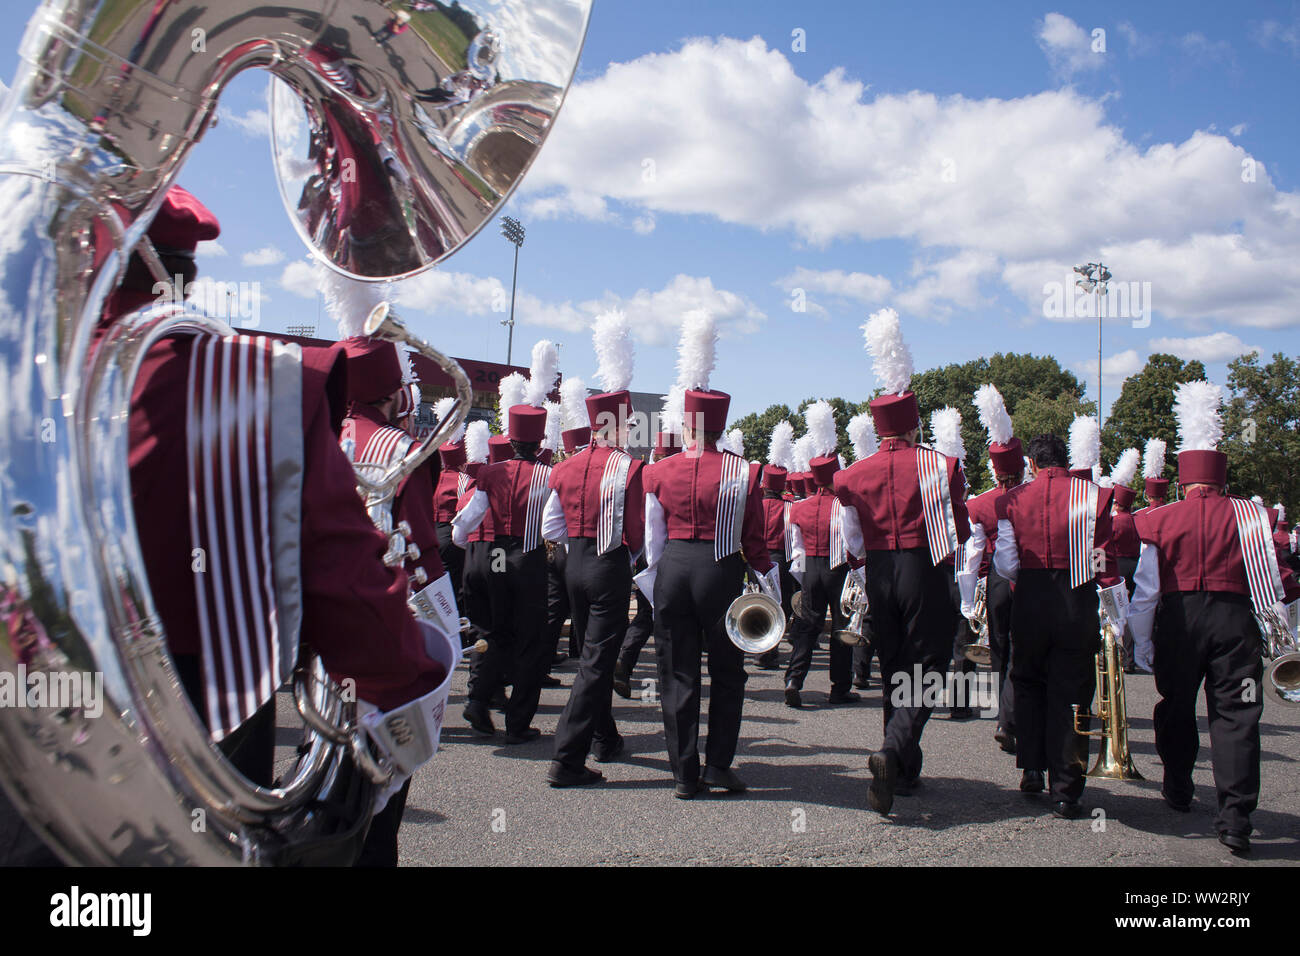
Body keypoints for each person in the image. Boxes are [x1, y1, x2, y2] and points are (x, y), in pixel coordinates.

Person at [100, 187, 452, 868]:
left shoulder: (33, 379)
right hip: (207, 714)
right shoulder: (255, 387)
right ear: (185, 272)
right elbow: (352, 578)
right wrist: (405, 679)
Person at [1129, 382, 1300, 856]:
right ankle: (1236, 819)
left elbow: (1144, 593)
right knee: (1236, 718)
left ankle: (1179, 787)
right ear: (1223, 481)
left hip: (1179, 621)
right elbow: (1274, 582)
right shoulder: (1252, 516)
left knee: (1176, 704)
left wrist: (1141, 643)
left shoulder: (1158, 518)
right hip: (1234, 623)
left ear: (1183, 482)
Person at [637, 314, 777, 799]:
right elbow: (756, 542)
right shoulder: (745, 471)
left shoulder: (659, 471)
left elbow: (651, 540)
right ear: (721, 425)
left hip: (674, 568)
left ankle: (682, 773)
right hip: (722, 573)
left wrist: (655, 580)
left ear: (686, 422)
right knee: (728, 672)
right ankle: (718, 765)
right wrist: (774, 588)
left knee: (676, 671)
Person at [836, 308, 969, 815]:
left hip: (879, 572)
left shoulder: (856, 472)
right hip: (924, 567)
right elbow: (958, 524)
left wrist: (859, 566)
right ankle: (895, 751)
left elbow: (849, 529)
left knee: (894, 665)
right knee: (930, 663)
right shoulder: (941, 463)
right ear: (914, 425)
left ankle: (904, 771)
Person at [992, 431, 1126, 819]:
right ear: (1064, 460)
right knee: (1071, 692)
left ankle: (1032, 768)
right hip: (1076, 595)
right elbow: (1104, 561)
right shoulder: (1095, 495)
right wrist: (1117, 616)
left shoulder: (1011, 500)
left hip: (1031, 598)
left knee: (1028, 682)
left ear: (1032, 464)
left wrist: (1032, 580)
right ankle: (1067, 789)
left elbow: (1005, 563)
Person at [543, 314, 645, 785]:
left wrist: (572, 548)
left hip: (574, 562)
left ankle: (605, 738)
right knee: (594, 663)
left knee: (590, 652)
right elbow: (641, 533)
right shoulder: (630, 465)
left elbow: (550, 523)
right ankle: (566, 758)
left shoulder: (565, 466)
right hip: (607, 565)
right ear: (622, 422)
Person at [453, 344, 559, 745]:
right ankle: (518, 722)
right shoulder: (549, 475)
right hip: (527, 557)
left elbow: (466, 522)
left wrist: (465, 547)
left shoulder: (490, 471)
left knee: (494, 630)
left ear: (512, 438)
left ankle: (478, 700)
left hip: (493, 554)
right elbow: (554, 525)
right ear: (538, 441)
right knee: (530, 641)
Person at [959, 384, 1025, 754]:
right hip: (1029, 580)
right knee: (1023, 650)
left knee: (999, 650)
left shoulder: (980, 503)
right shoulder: (1033, 496)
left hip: (996, 582)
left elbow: (973, 554)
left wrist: (968, 601)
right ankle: (1014, 716)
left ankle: (1003, 712)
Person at [784, 403, 859, 707]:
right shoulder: (845, 504)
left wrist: (803, 577)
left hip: (811, 569)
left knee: (807, 625)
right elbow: (855, 542)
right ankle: (839, 688)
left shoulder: (799, 507)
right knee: (842, 628)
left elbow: (795, 547)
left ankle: (794, 678)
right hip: (838, 569)